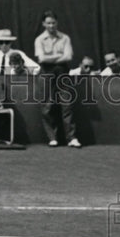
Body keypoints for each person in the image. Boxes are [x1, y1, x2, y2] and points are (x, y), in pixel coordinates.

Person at [34, 10, 81, 148]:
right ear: (44, 24)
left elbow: (68, 57)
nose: (51, 25)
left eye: (53, 22)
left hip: (62, 71)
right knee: (47, 106)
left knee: (67, 105)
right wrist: (58, 56)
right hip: (46, 72)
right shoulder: (39, 40)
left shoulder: (65, 38)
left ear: (57, 23)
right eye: (48, 23)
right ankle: (52, 137)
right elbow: (41, 58)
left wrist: (51, 58)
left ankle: (71, 138)